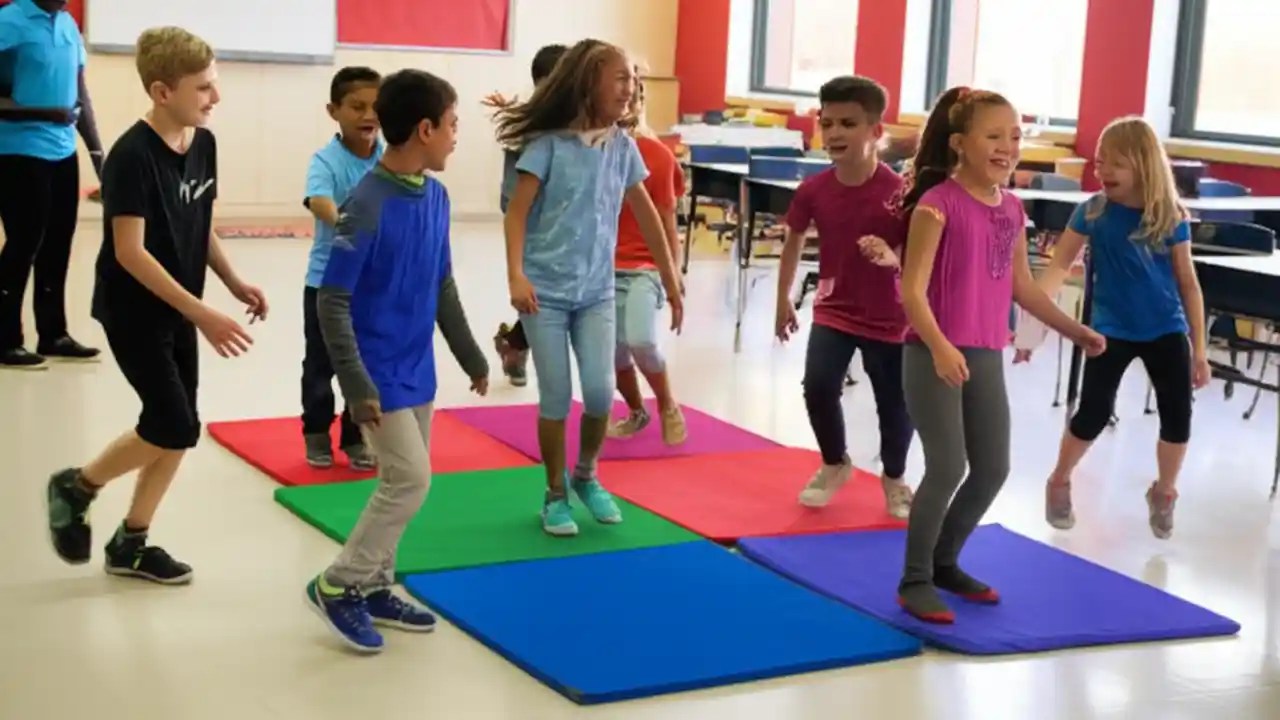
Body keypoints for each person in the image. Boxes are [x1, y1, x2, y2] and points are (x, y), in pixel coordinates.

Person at [45, 26, 266, 584]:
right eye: (204, 88)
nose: (215, 98)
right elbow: (130, 254)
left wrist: (233, 282)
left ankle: (132, 542)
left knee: (180, 426)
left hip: (180, 307)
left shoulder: (204, 142)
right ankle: (79, 485)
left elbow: (199, 222)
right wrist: (202, 312)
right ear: (163, 92)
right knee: (171, 421)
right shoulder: (130, 157)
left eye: (215, 85)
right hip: (134, 311)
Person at [894, 86, 1105, 624]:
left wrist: (1074, 329)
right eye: (993, 136)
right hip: (931, 351)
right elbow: (911, 291)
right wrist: (940, 347)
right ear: (960, 144)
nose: (1007, 146)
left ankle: (945, 562)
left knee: (992, 468)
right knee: (946, 466)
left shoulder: (1011, 208)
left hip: (985, 351)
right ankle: (914, 578)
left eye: (1014, 136)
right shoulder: (936, 205)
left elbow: (1024, 287)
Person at [305, 69, 489, 654]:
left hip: (417, 367)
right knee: (411, 480)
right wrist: (354, 382)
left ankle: (377, 584)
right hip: (376, 371)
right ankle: (338, 584)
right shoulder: (366, 203)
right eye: (454, 125)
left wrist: (470, 354)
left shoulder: (435, 196)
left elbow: (443, 285)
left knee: (397, 480)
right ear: (426, 128)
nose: (458, 137)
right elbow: (332, 301)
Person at [498, 38, 684, 537]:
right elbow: (516, 215)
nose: (631, 89)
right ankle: (554, 492)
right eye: (621, 78)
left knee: (601, 395)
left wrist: (671, 278)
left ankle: (586, 476)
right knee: (557, 395)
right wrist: (516, 274)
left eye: (633, 79)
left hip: (596, 291)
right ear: (587, 84)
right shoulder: (547, 147)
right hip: (545, 293)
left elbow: (647, 213)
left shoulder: (623, 147)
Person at [1024, 116, 1208, 540]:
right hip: (1110, 330)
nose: (1102, 172)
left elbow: (1188, 284)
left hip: (1166, 328)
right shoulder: (1092, 211)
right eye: (1100, 162)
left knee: (1177, 416)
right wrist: (1035, 316)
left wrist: (1199, 350)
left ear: (1144, 166)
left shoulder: (1170, 216)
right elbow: (1057, 267)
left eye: (1115, 165)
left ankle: (1164, 491)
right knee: (1093, 412)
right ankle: (1059, 479)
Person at [775, 75, 914, 518]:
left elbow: (917, 249)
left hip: (891, 316)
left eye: (848, 124)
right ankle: (835, 463)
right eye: (827, 122)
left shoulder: (901, 193)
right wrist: (784, 299)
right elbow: (793, 240)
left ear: (876, 131)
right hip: (834, 310)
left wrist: (892, 254)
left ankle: (894, 476)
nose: (834, 133)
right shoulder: (813, 190)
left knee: (893, 403)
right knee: (817, 385)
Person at [0, 0, 106, 369]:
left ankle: (53, 334)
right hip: (17, 150)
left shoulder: (68, 26)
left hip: (62, 151)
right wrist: (42, 113)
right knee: (24, 242)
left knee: (58, 243)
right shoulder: (8, 22)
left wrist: (97, 154)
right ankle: (5, 339)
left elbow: (81, 97)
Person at [300, 66, 382, 470]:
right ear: (334, 111)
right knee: (320, 364)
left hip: (372, 285)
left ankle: (355, 436)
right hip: (327, 284)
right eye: (357, 107)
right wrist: (351, 228)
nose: (368, 115)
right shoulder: (326, 160)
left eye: (376, 107)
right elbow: (319, 201)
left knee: (362, 363)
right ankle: (316, 432)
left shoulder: (390, 158)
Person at [606, 71, 687, 444]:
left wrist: (674, 275)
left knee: (640, 339)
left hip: (644, 268)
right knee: (614, 351)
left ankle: (668, 403)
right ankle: (636, 411)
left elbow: (668, 221)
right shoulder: (594, 151)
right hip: (601, 269)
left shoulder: (657, 156)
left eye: (632, 97)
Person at [489, 42, 568, 387]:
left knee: (551, 290)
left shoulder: (574, 121)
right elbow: (512, 195)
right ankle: (518, 343)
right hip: (531, 222)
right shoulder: (525, 126)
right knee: (540, 289)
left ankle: (515, 342)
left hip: (562, 221)